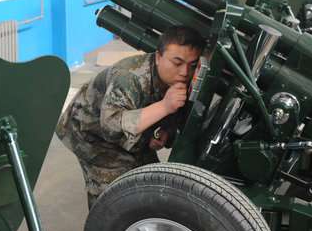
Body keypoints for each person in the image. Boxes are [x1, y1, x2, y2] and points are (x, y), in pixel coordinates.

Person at [56, 25, 204, 210]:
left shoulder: (178, 79)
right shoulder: (129, 77)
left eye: (191, 65)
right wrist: (165, 106)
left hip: (133, 134)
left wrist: (163, 133)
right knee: (114, 194)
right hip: (90, 133)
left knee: (153, 180)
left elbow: (173, 121)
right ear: (158, 57)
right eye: (177, 63)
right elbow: (111, 127)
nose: (184, 72)